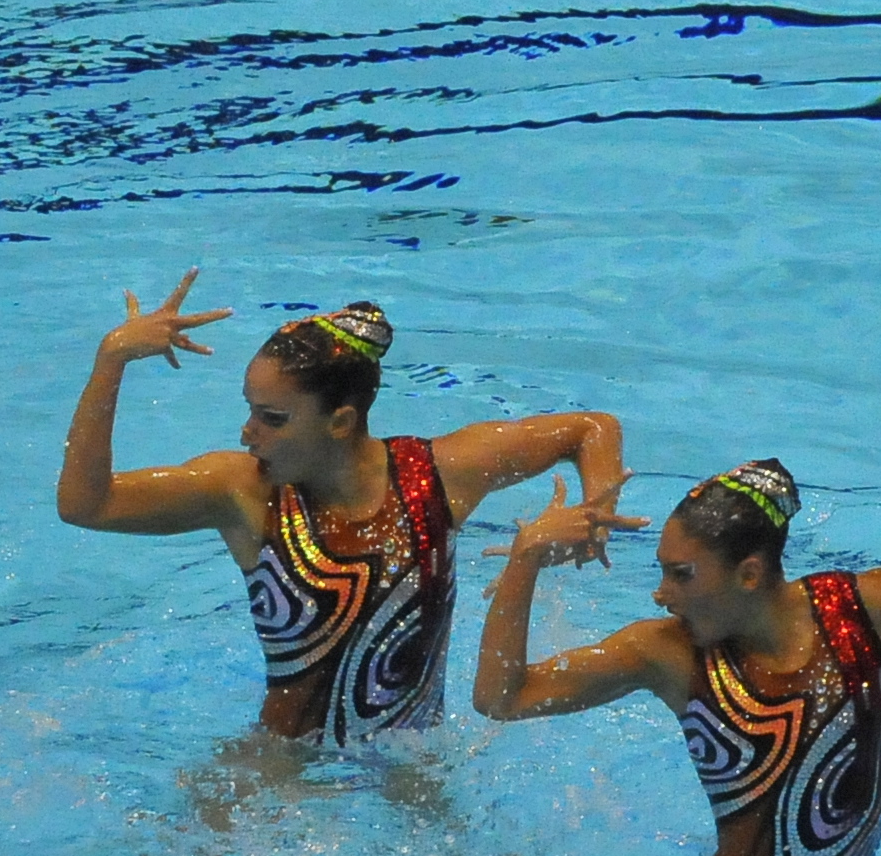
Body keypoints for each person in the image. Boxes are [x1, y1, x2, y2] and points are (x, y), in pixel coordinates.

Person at [58, 269, 626, 743]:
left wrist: (593, 522)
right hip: (282, 765)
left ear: (341, 422)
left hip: (410, 765)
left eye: (272, 419)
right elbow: (87, 506)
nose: (248, 432)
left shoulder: (437, 476)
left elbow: (591, 429)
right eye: (251, 410)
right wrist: (112, 361)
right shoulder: (241, 492)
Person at [474, 459, 881, 856]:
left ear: (749, 574)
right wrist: (526, 558)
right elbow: (503, 698)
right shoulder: (666, 654)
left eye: (681, 575)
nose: (661, 594)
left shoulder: (860, 615)